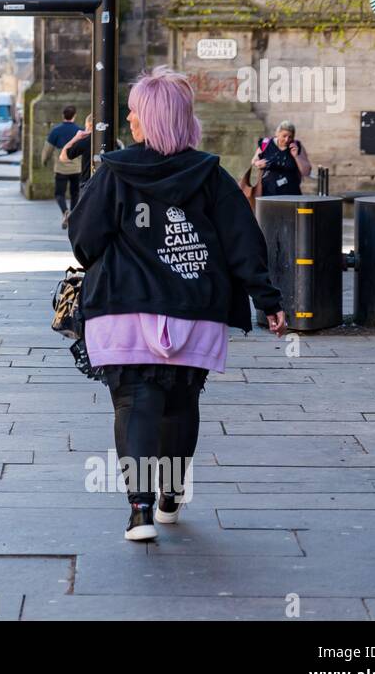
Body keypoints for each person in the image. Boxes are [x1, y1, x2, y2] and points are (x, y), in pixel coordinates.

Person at [68, 66, 286, 543]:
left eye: (135, 114)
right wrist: (268, 300)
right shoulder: (211, 175)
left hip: (124, 308)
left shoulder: (115, 173)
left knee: (134, 402)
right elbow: (243, 243)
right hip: (194, 309)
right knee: (181, 404)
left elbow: (83, 242)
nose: (129, 121)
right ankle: (170, 493)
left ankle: (140, 509)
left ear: (152, 119)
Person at [44, 105, 85, 226]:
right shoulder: (79, 131)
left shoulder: (56, 131)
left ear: (63, 115)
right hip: (76, 169)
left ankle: (65, 212)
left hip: (61, 169)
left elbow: (47, 150)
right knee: (75, 194)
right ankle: (71, 215)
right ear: (74, 116)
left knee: (59, 194)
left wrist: (44, 161)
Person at [251, 120, 311, 197]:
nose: (287, 140)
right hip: (267, 192)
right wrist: (257, 163)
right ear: (277, 134)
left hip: (291, 193)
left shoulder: (297, 146)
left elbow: (306, 172)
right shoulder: (266, 143)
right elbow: (254, 161)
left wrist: (296, 156)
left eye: (290, 137)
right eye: (284, 136)